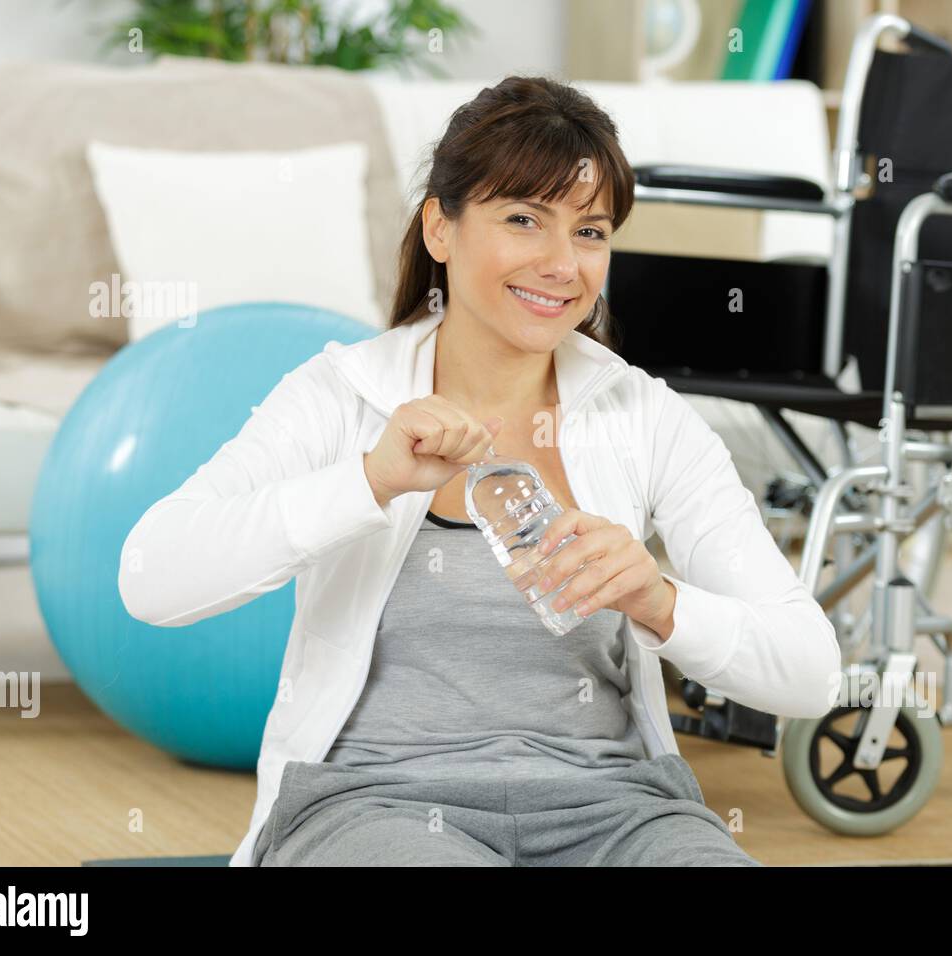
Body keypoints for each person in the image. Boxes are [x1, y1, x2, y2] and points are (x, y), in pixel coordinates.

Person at [119, 75, 841, 867]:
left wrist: (658, 600)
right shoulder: (341, 396)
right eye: (524, 219)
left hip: (618, 814)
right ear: (440, 227)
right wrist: (370, 480)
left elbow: (811, 674)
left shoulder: (646, 416)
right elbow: (152, 577)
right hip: (374, 808)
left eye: (591, 232)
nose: (562, 264)